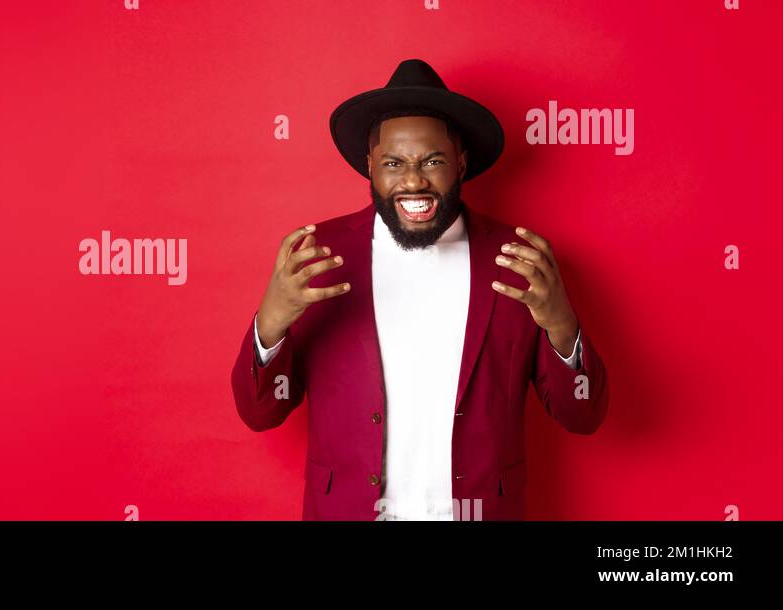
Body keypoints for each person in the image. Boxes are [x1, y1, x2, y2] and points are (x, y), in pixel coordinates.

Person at [230, 59, 609, 521]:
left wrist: (561, 325)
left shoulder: (520, 258)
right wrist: (271, 324)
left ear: (461, 163)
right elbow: (261, 414)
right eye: (394, 163)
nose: (413, 180)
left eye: (433, 161)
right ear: (370, 167)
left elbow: (582, 416)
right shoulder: (317, 256)